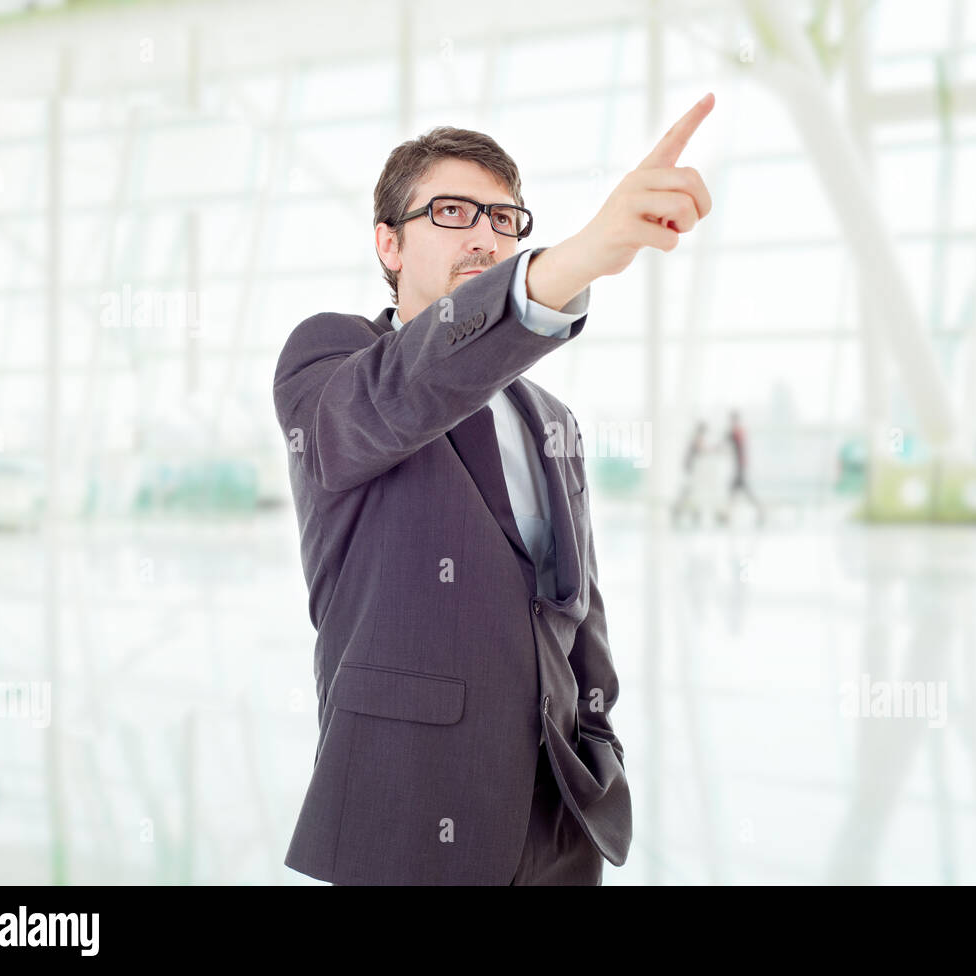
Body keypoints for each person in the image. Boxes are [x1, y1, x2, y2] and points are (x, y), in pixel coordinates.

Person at [273, 95, 715, 884]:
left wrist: (597, 748)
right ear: (389, 243)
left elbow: (579, 617)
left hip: (557, 830)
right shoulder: (332, 364)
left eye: (506, 219)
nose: (485, 234)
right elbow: (410, 384)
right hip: (405, 820)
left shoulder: (551, 418)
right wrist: (574, 262)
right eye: (452, 211)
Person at [720, 408, 764, 527]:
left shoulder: (736, 432)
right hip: (739, 467)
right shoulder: (738, 432)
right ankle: (726, 514)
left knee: (739, 491)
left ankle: (726, 514)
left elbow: (726, 444)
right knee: (737, 492)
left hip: (739, 468)